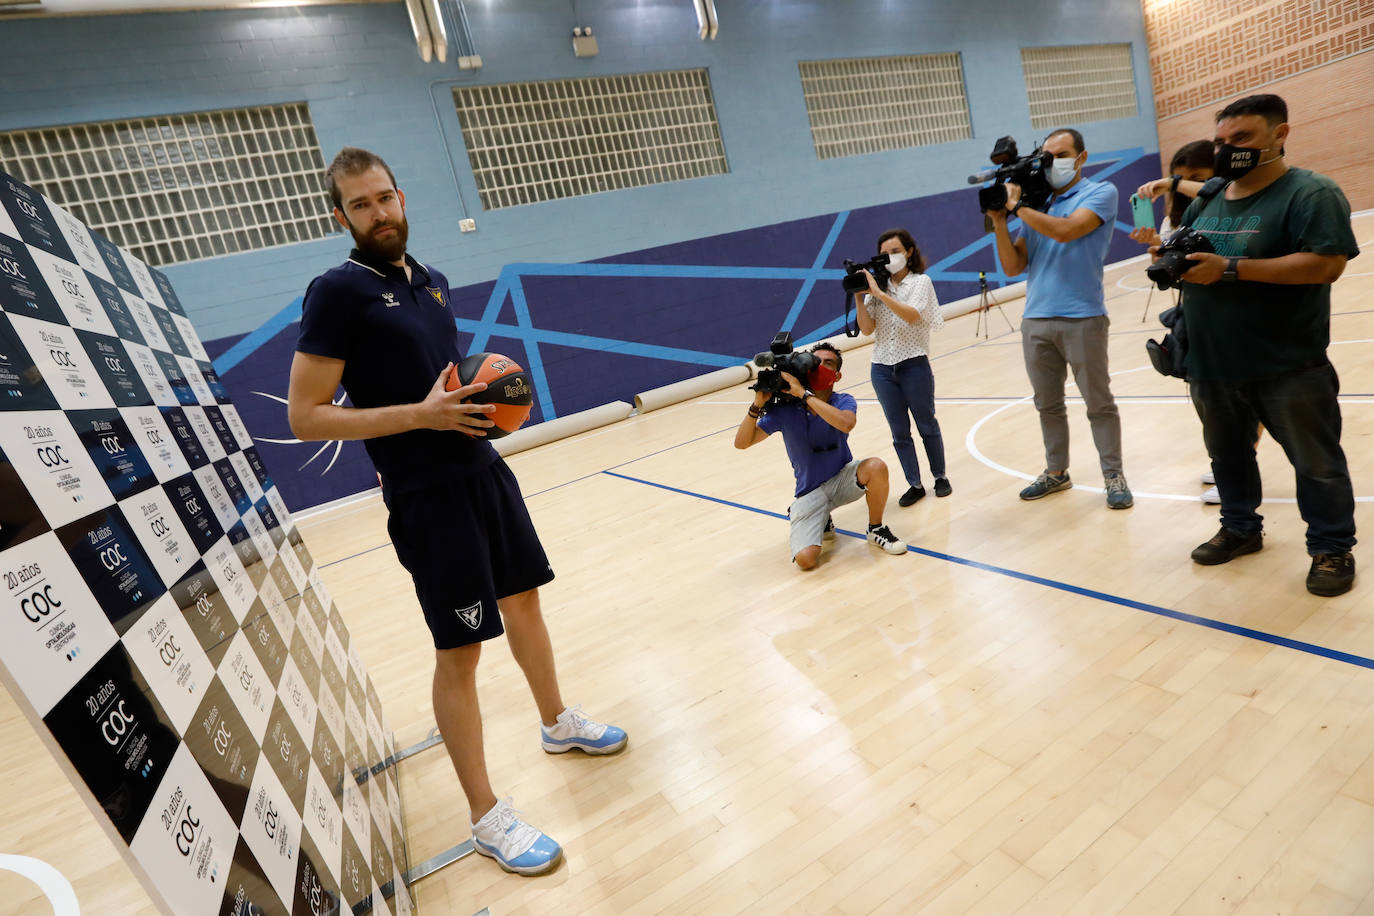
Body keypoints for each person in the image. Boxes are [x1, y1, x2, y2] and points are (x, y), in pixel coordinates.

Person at [286, 147, 626, 877]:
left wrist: (482, 399)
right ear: (338, 215)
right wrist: (422, 417)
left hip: (482, 471)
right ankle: (485, 815)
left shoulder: (430, 281)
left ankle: (557, 723)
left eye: (386, 197)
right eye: (362, 204)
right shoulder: (336, 292)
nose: (379, 213)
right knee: (461, 650)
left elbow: (444, 380)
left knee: (527, 604)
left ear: (402, 197)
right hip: (426, 497)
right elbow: (306, 417)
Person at [1162, 94, 1359, 596]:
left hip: (1287, 362)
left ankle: (1331, 548)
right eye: (1223, 141)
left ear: (1281, 134)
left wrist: (1229, 268)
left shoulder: (1311, 193)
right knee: (1227, 456)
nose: (1230, 150)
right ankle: (1240, 529)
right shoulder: (1209, 196)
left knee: (1316, 463)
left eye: (1243, 138)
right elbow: (1191, 249)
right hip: (1211, 362)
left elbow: (1325, 264)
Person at [987, 127, 1133, 509]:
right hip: (1035, 319)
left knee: (1098, 403)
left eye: (1061, 154)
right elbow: (1013, 264)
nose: (1052, 163)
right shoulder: (1038, 205)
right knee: (1047, 404)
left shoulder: (1100, 193)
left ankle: (1113, 476)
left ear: (1081, 158)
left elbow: (1068, 232)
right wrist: (1000, 221)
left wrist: (1019, 209)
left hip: (1083, 316)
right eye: (1047, 156)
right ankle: (1056, 472)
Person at [1134, 141, 1265, 506]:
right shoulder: (1178, 216)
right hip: (1198, 320)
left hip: (1240, 318)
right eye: (1182, 176)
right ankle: (1231, 469)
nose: (1184, 184)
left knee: (1247, 403)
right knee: (1214, 409)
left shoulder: (1234, 204)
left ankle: (1238, 470)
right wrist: (1158, 249)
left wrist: (1173, 182)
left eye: (1196, 178)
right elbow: (1181, 270)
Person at [733, 343, 907, 569]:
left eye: (829, 363)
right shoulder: (785, 410)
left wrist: (803, 395)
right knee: (806, 560)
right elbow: (741, 443)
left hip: (842, 479)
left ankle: (876, 528)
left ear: (837, 375)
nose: (821, 366)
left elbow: (846, 424)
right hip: (810, 490)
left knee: (876, 466)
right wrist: (757, 405)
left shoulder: (843, 400)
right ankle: (819, 517)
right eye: (817, 362)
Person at [853, 228, 950, 507]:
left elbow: (911, 315)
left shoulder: (921, 282)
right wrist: (860, 296)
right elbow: (866, 329)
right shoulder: (877, 288)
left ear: (909, 251)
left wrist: (880, 294)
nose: (890, 257)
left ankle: (940, 476)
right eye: (884, 254)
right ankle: (914, 484)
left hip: (914, 364)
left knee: (926, 424)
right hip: (882, 369)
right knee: (899, 432)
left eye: (895, 251)